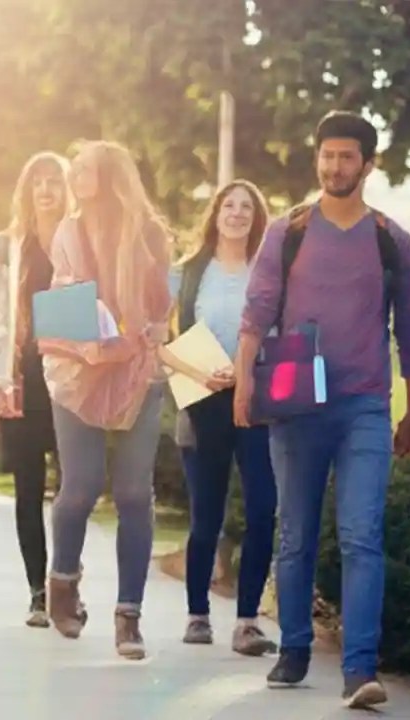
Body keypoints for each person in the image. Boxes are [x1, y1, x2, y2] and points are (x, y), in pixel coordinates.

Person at [234, 111, 410, 709]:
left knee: (362, 535)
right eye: (327, 155)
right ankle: (293, 647)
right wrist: (244, 382)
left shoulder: (390, 238)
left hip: (364, 405)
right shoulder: (287, 231)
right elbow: (257, 311)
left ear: (368, 165)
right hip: (295, 400)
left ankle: (359, 668)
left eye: (347, 157)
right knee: (294, 534)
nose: (334, 166)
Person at [37, 140, 173, 656]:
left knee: (135, 493)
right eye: (75, 170)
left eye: (86, 171)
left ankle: (128, 617)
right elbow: (60, 299)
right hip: (78, 370)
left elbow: (162, 304)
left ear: (112, 177)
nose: (76, 179)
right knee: (81, 486)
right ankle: (62, 584)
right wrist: (94, 338)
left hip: (138, 369)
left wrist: (142, 324)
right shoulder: (68, 232)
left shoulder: (150, 234)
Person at [161, 180, 278, 656]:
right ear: (215, 213)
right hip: (203, 403)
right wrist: (202, 372)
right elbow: (156, 342)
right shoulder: (187, 273)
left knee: (262, 511)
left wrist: (250, 368)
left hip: (256, 400)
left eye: (247, 206)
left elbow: (285, 330)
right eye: (229, 204)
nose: (237, 213)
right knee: (206, 514)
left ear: (257, 217)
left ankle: (247, 621)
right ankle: (197, 615)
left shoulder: (270, 272)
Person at [0, 151, 72, 627]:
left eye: (56, 181)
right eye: (39, 182)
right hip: (21, 379)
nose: (47, 190)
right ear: (27, 190)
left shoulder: (82, 242)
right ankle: (39, 592)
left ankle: (65, 582)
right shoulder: (5, 247)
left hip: (72, 379)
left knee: (74, 489)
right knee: (28, 487)